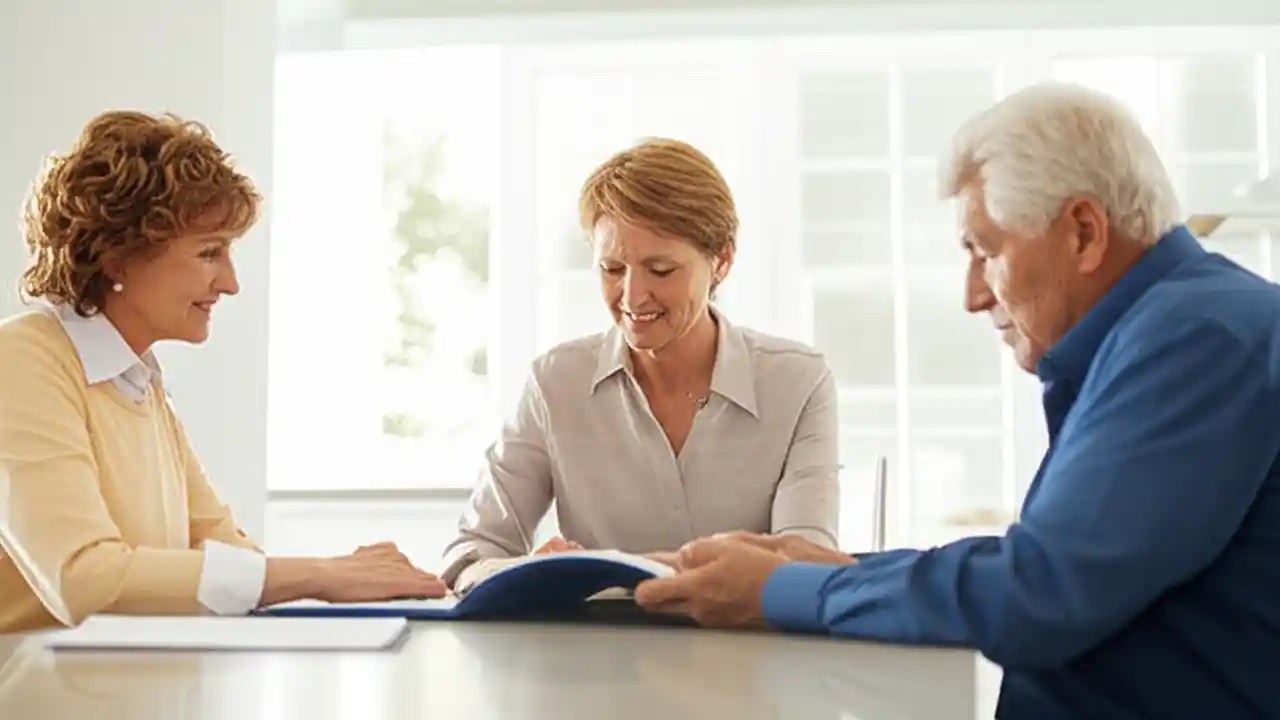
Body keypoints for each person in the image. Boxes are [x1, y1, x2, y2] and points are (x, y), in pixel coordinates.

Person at [635, 82, 1280, 719]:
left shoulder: (1198, 336)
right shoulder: (1182, 324)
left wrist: (785, 590)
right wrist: (837, 569)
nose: (974, 295)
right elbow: (1048, 567)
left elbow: (1041, 593)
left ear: (1083, 232)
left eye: (985, 251)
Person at [0, 111, 446, 633]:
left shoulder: (137, 380)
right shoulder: (23, 361)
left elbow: (223, 550)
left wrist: (365, 584)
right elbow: (84, 580)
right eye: (210, 252)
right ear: (119, 258)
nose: (230, 283)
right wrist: (321, 575)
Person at [441, 138, 840, 588]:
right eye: (612, 269)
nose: (631, 297)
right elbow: (470, 555)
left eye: (661, 270)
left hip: (752, 653)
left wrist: (605, 569)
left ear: (722, 260)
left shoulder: (798, 382)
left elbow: (809, 567)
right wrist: (528, 573)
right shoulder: (555, 383)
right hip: (591, 657)